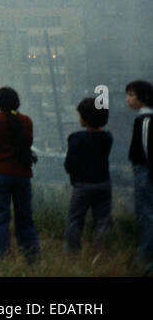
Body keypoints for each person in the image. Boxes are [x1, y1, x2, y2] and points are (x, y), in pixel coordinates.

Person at [0, 86, 39, 262]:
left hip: (1, 174)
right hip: (22, 174)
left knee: (0, 218)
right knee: (25, 217)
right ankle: (31, 257)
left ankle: (0, 257)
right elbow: (28, 142)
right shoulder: (26, 121)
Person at [63, 96, 112, 253]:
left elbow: (70, 163)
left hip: (83, 185)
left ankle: (72, 253)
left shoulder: (76, 138)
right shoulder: (107, 137)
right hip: (104, 183)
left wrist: (74, 177)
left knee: (75, 220)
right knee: (102, 221)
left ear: (85, 118)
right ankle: (101, 252)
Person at [126, 80, 153, 272]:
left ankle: (144, 259)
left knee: (146, 214)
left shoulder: (144, 120)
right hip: (144, 170)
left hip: (144, 171)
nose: (128, 99)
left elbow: (146, 149)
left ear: (142, 98)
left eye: (131, 95)